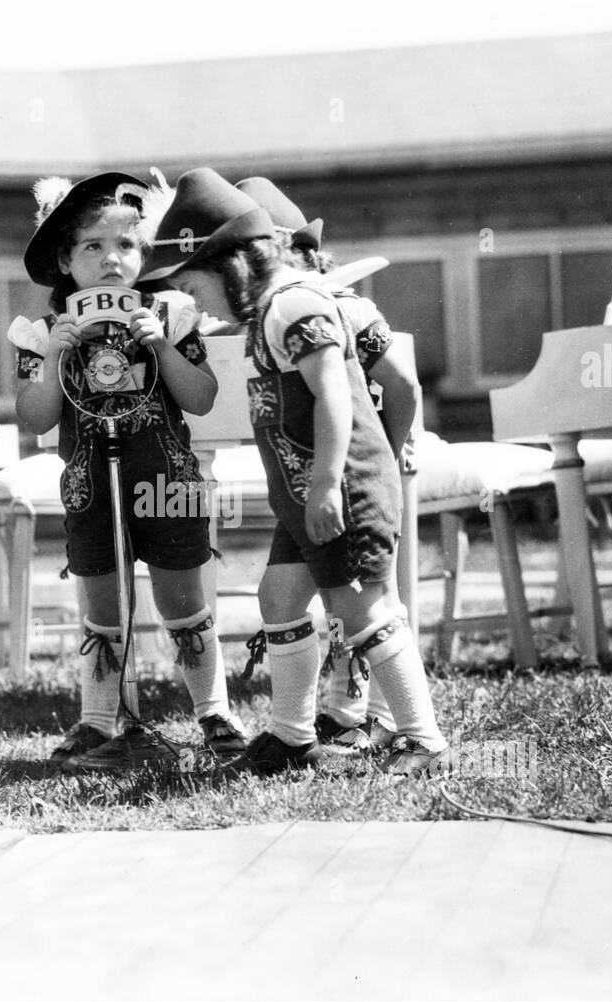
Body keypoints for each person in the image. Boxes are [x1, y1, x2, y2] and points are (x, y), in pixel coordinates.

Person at [142, 168, 448, 777]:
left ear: (230, 265)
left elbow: (335, 395)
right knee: (278, 596)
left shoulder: (295, 306)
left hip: (338, 493)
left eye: (194, 287)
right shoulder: (269, 317)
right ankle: (292, 734)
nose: (194, 303)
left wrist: (333, 484)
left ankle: (422, 738)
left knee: (361, 609)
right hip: (304, 495)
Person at [10, 173, 248, 771]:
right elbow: (33, 415)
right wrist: (56, 356)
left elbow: (200, 399)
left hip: (169, 479)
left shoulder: (171, 315)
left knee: (183, 600)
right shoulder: (42, 332)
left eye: (126, 246)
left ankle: (214, 711)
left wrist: (163, 346)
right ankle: (97, 720)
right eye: (93, 246)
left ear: (145, 255)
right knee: (104, 608)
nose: (111, 259)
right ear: (65, 259)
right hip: (91, 485)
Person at [234, 177, 421, 754]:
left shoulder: (340, 306)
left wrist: (390, 449)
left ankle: (386, 720)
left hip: (352, 472)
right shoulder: (265, 319)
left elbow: (401, 382)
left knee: (366, 598)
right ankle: (303, 729)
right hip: (305, 479)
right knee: (288, 596)